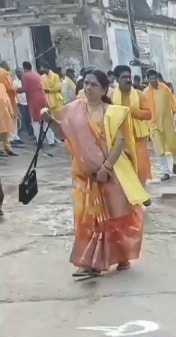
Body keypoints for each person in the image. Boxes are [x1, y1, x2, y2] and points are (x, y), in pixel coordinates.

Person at [40, 69, 148, 279]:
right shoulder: (75, 110)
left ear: (104, 89)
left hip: (111, 172)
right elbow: (64, 134)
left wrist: (106, 168)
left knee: (116, 217)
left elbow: (120, 142)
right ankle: (91, 263)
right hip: (85, 175)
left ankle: (121, 255)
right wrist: (49, 120)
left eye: (94, 84)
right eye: (86, 83)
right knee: (88, 220)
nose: (88, 88)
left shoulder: (113, 112)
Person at [111, 66, 153, 185]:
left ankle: (142, 193)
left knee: (141, 170)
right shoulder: (111, 96)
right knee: (124, 174)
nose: (128, 80)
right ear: (116, 79)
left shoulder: (139, 94)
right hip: (120, 141)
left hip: (138, 139)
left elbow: (149, 114)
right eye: (124, 77)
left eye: (129, 77)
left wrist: (131, 111)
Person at [144, 69, 176, 180]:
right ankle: (165, 172)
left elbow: (173, 102)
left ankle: (175, 162)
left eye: (155, 78)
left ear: (157, 78)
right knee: (159, 149)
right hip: (153, 124)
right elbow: (143, 108)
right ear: (147, 79)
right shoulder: (145, 93)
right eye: (151, 79)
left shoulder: (164, 89)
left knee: (173, 145)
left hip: (167, 122)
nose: (153, 81)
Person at [19, 61, 54, 147]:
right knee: (45, 119)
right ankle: (51, 140)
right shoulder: (36, 74)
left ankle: (39, 140)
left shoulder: (25, 75)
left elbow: (25, 88)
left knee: (35, 121)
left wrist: (15, 89)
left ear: (24, 68)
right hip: (42, 97)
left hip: (33, 99)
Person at [0, 61, 16, 155]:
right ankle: (4, 147)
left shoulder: (2, 85)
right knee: (4, 128)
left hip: (5, 108)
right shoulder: (3, 83)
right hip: (4, 109)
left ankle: (5, 147)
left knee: (4, 128)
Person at [14, 67, 32, 143]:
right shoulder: (15, 82)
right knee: (23, 119)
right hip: (21, 103)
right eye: (17, 72)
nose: (19, 74)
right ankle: (26, 135)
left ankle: (32, 133)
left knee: (30, 118)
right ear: (16, 73)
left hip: (28, 102)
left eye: (20, 72)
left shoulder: (26, 80)